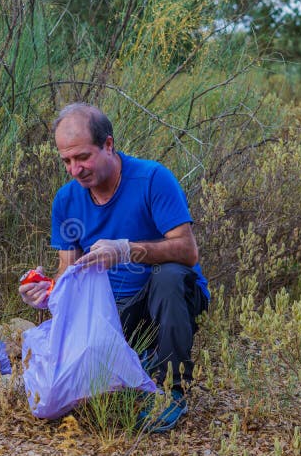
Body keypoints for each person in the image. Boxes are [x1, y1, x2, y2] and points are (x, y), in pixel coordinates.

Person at [18, 103, 209, 432]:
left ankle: (171, 391)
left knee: (170, 276)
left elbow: (187, 251)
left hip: (161, 301)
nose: (75, 170)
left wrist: (127, 251)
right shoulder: (66, 200)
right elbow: (68, 270)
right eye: (67, 161)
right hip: (110, 314)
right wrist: (46, 291)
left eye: (83, 157)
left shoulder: (151, 179)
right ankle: (141, 362)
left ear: (108, 145)